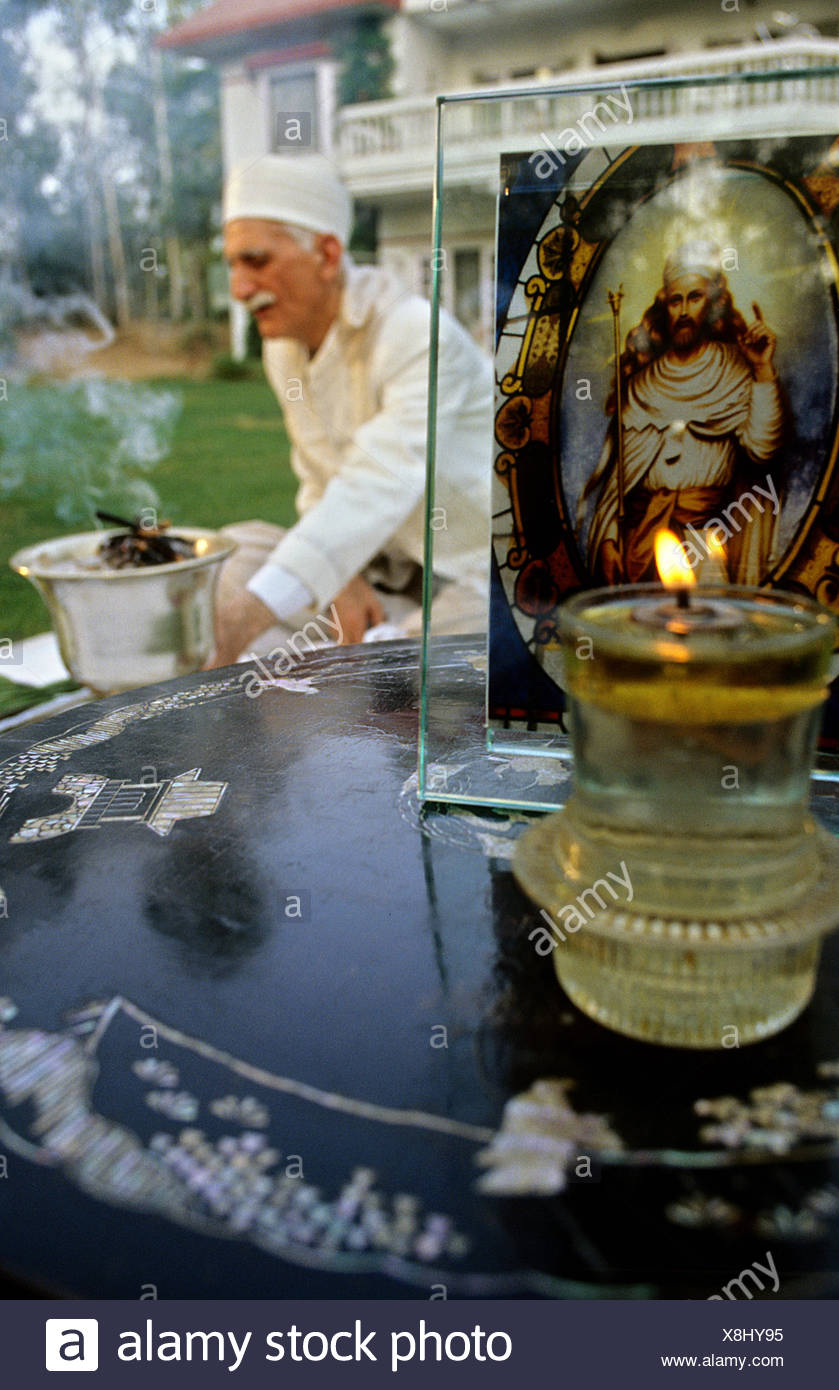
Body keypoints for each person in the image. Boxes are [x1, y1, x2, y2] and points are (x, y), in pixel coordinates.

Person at [209, 153, 493, 667]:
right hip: (379, 573)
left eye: (255, 261)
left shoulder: (412, 332)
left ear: (326, 252)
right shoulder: (285, 349)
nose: (239, 289)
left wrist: (254, 611)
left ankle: (374, 664)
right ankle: (357, 657)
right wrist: (338, 573)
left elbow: (379, 478)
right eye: (232, 265)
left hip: (474, 575)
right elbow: (321, 480)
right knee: (230, 556)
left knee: (414, 665)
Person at [578, 241, 785, 585]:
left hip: (708, 542)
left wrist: (762, 369)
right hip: (641, 545)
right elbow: (619, 481)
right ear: (666, 306)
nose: (685, 310)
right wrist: (610, 538)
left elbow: (763, 449)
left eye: (695, 297)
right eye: (676, 300)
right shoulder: (643, 384)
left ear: (713, 303)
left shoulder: (733, 368)